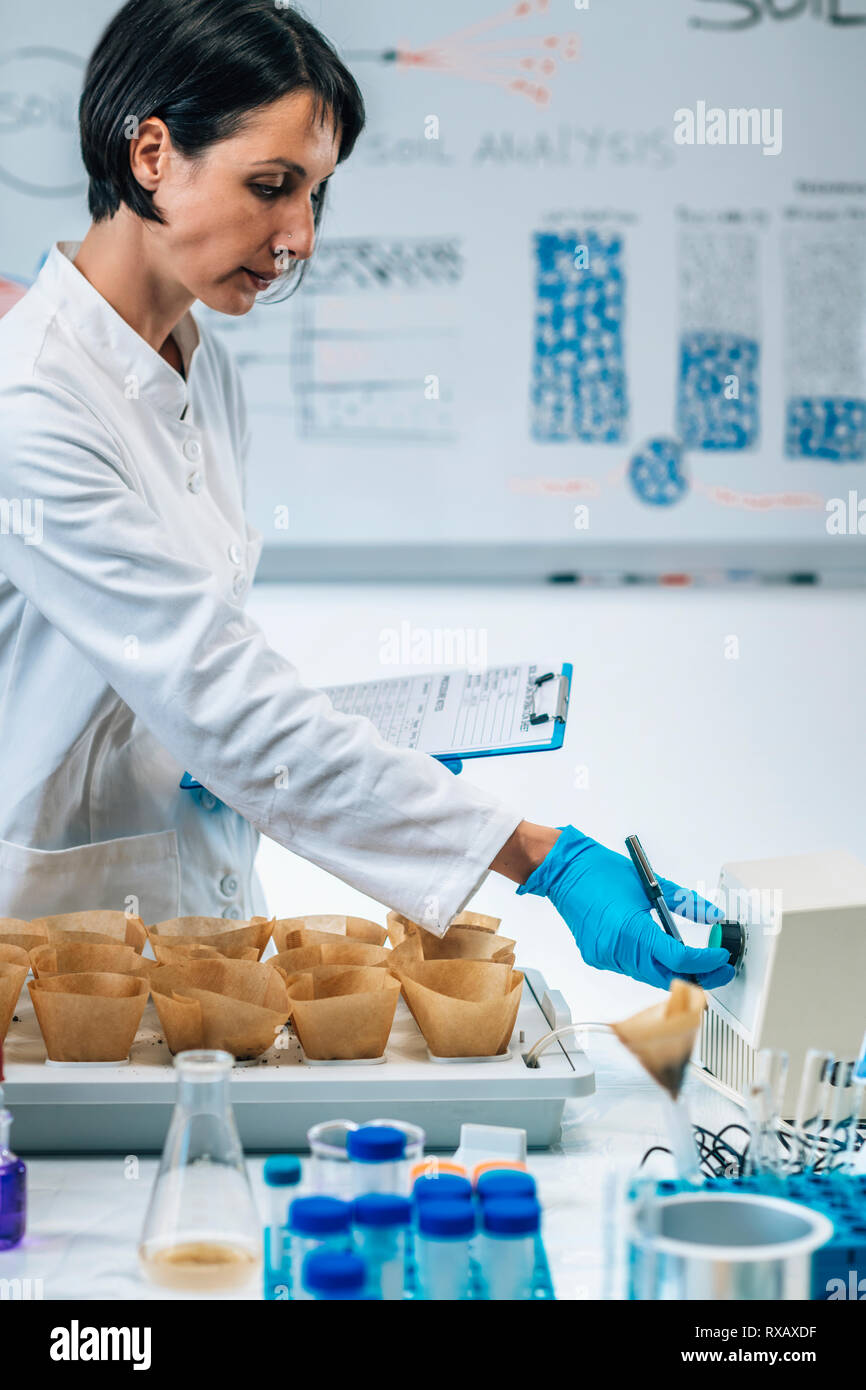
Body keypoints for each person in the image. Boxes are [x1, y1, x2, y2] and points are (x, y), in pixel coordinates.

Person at [0, 0, 733, 992]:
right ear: (152, 154)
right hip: (54, 954)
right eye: (271, 186)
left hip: (185, 927)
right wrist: (532, 853)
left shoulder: (199, 368)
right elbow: (216, 698)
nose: (298, 235)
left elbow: (182, 684)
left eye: (314, 195)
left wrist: (387, 763)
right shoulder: (34, 398)